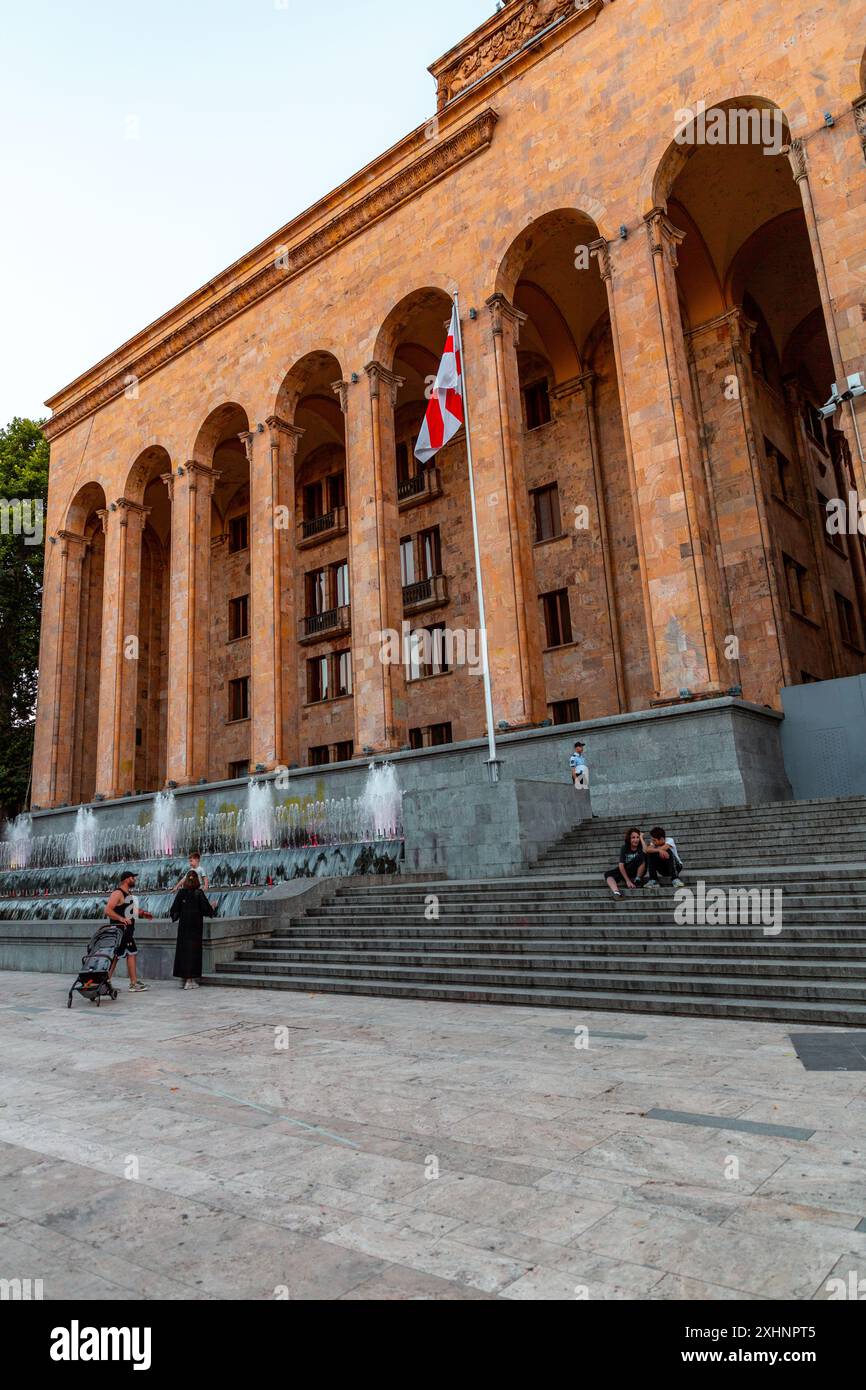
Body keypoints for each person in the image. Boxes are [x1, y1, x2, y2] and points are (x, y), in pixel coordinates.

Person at [106, 871, 153, 992]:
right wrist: (121, 919)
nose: (135, 880)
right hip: (120, 931)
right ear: (126, 879)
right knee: (120, 955)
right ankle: (110, 982)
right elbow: (107, 910)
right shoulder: (118, 893)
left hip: (127, 931)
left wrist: (143, 913)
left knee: (126, 953)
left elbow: (131, 911)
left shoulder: (128, 893)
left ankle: (127, 982)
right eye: (133, 878)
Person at [170, 871, 216, 990]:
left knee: (183, 951)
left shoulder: (181, 893)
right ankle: (190, 981)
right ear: (197, 881)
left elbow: (174, 911)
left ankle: (184, 978)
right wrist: (213, 907)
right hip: (195, 927)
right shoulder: (198, 893)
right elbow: (206, 910)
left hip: (184, 927)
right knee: (193, 952)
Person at [604, 827, 647, 898]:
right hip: (627, 870)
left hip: (639, 870)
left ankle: (637, 880)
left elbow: (646, 851)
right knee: (608, 874)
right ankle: (616, 892)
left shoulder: (641, 847)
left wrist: (642, 838)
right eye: (633, 837)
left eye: (637, 837)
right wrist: (627, 881)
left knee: (642, 856)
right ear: (629, 839)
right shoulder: (625, 848)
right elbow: (621, 865)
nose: (636, 840)